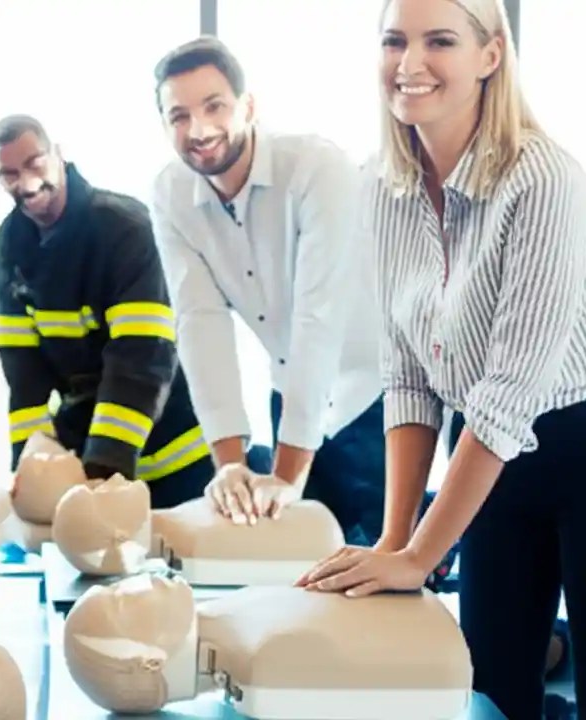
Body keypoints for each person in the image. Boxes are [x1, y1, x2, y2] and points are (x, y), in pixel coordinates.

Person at [300, 0, 586, 717]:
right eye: (394, 40)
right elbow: (406, 376)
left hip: (579, 444)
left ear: (491, 56)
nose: (411, 62)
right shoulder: (384, 186)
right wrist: (397, 543)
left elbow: (508, 391)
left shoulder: (545, 180)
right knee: (490, 692)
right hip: (491, 460)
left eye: (440, 41)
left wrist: (423, 557)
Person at [151, 37, 401, 548]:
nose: (197, 130)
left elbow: (319, 320)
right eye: (178, 115)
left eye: (214, 106)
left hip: (378, 395)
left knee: (379, 577)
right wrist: (230, 468)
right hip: (291, 391)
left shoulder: (315, 168)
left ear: (248, 106)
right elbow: (200, 326)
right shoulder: (170, 193)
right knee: (293, 569)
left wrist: (286, 478)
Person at [0, 114, 214, 509]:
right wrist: (28, 463)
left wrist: (103, 470)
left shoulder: (125, 229)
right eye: (8, 174)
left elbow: (141, 357)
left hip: (175, 457)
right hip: (86, 457)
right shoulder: (12, 242)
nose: (24, 183)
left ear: (58, 154)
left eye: (34, 164)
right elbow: (22, 370)